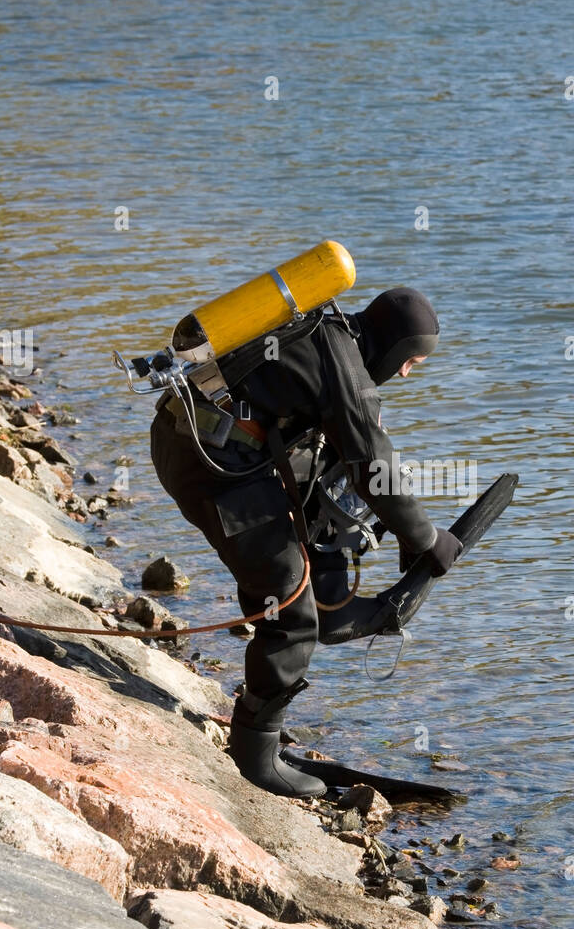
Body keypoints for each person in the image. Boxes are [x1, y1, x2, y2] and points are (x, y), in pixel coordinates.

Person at [150, 286, 463, 800]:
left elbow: (355, 462)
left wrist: (404, 531)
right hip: (211, 465)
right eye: (410, 361)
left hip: (191, 437)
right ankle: (256, 758)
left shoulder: (325, 329)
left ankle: (333, 602)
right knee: (288, 606)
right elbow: (375, 465)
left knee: (329, 475)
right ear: (393, 347)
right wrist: (427, 538)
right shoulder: (346, 372)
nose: (407, 372)